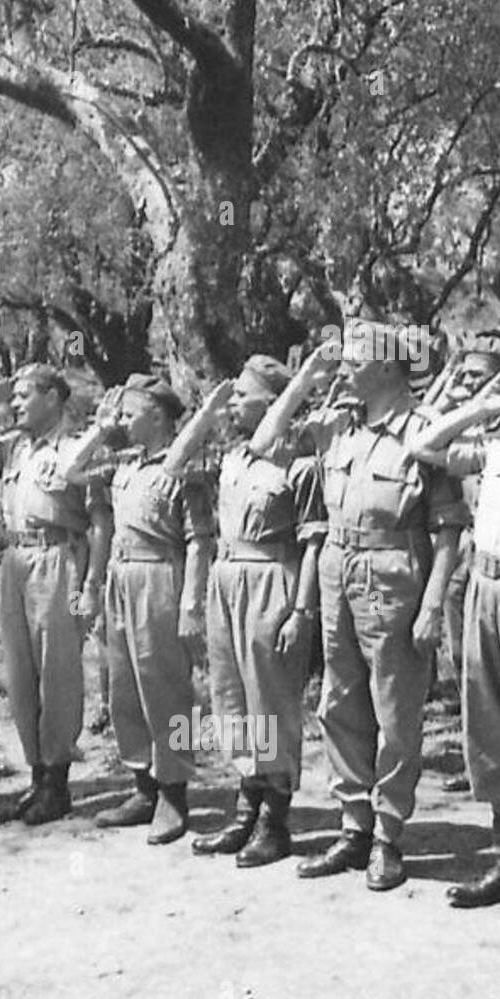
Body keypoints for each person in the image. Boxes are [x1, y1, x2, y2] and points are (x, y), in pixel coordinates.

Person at [252, 321, 467, 891]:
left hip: (395, 573)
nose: (343, 366)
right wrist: (303, 382)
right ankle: (353, 826)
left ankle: (388, 835)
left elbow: (448, 528)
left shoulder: (424, 430)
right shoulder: (335, 427)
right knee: (337, 700)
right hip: (335, 572)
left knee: (395, 711)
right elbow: (264, 443)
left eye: (354, 358)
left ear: (390, 367)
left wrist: (432, 606)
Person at [411, 349, 500, 922]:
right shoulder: (499, 448)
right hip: (485, 592)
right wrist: (482, 403)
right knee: (492, 729)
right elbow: (423, 445)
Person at [176, 357, 328, 866]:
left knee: (273, 701)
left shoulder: (299, 460)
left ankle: (274, 820)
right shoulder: (235, 457)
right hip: (227, 579)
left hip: (272, 582)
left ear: (273, 401)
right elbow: (174, 462)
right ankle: (245, 807)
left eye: (243, 394)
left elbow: (313, 544)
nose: (233, 402)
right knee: (234, 700)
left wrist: (301, 611)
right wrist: (210, 408)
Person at [0, 364, 111, 826]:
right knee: (21, 673)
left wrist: (91, 585)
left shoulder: (77, 448)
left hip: (59, 558)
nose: (16, 403)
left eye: (24, 395)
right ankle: (38, 776)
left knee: (57, 669)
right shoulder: (15, 450)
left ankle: (58, 781)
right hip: (17, 562)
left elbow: (100, 521)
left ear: (54, 398)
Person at [64, 374, 213, 843]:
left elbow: (199, 541)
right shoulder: (123, 465)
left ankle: (174, 791)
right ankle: (143, 784)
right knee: (124, 688)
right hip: (120, 579)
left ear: (157, 414)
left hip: (160, 579)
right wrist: (102, 428)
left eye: (130, 413)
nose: (123, 421)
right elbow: (70, 472)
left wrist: (192, 603)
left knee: (165, 689)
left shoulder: (184, 467)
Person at [420, 332, 500, 790]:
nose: (465, 382)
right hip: (467, 558)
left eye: (475, 376)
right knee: (468, 663)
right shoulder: (464, 427)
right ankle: (478, 756)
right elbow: (423, 430)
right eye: (463, 374)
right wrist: (452, 382)